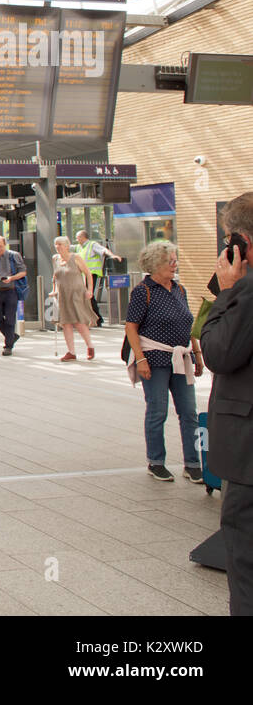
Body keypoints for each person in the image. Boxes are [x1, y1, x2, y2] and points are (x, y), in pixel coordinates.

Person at [200, 192, 253, 614]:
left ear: (240, 243)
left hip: (249, 456)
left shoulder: (245, 292)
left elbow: (218, 351)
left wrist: (228, 293)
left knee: (245, 561)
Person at [124, 240, 204, 483]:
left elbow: (188, 324)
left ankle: (192, 464)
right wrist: (140, 359)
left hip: (181, 358)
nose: (175, 264)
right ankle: (156, 462)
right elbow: (131, 327)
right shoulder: (143, 291)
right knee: (158, 411)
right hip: (155, 358)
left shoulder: (179, 289)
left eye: (174, 260)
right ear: (156, 264)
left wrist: (197, 354)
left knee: (189, 412)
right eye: (170, 261)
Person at [52, 235, 96, 361]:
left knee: (79, 322)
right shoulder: (55, 259)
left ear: (67, 246)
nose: (58, 247)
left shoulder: (75, 257)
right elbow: (54, 277)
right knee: (65, 323)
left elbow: (88, 273)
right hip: (63, 294)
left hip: (77, 293)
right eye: (56, 244)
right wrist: (54, 290)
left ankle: (90, 346)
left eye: (60, 244)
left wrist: (90, 290)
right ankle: (71, 352)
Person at [0, 235, 26, 356]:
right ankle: (12, 336)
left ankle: (8, 346)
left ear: (5, 244)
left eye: (1, 246)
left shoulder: (14, 256)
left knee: (9, 319)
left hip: (11, 290)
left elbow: (23, 272)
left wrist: (11, 278)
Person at [75, 229, 122, 328]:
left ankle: (97, 318)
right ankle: (92, 318)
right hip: (83, 275)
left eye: (78, 237)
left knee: (88, 295)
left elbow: (103, 250)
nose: (76, 239)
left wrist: (113, 256)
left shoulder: (92, 244)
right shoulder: (79, 248)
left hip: (92, 274)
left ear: (83, 237)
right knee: (85, 296)